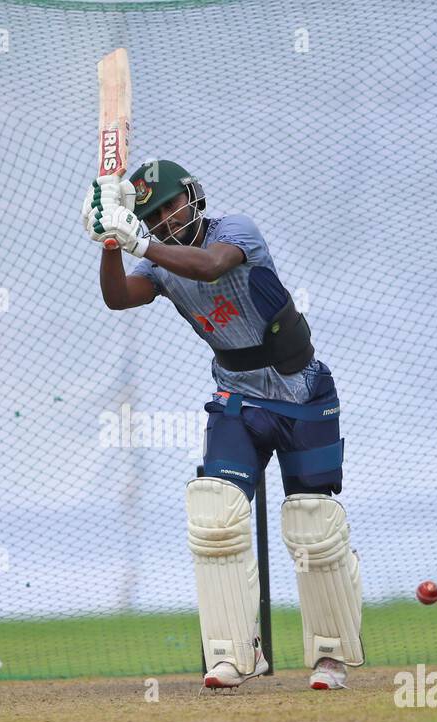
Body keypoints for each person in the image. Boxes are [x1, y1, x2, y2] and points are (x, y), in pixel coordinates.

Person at [85, 161, 363, 691]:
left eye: (171, 205)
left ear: (194, 197)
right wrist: (108, 242)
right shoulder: (159, 265)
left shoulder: (235, 231)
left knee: (313, 523)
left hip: (301, 390)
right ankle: (234, 654)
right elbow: (118, 298)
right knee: (215, 516)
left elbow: (211, 267)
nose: (167, 219)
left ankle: (330, 657)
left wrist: (139, 242)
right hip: (238, 397)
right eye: (154, 215)